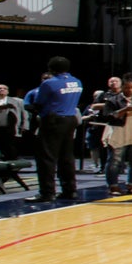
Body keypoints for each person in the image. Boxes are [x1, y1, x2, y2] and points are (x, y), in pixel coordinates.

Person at [24, 57, 84, 202]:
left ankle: (47, 192)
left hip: (53, 121)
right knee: (67, 157)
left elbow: (39, 103)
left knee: (46, 158)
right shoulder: (77, 81)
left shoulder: (49, 83)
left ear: (51, 68)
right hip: (71, 120)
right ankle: (70, 190)